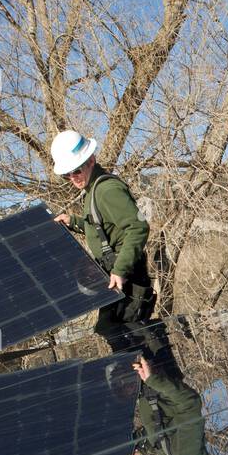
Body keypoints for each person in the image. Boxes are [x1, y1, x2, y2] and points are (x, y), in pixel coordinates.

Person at [49, 130, 156, 350]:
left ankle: (156, 378)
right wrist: (74, 222)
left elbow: (138, 227)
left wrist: (120, 270)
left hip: (127, 280)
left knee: (131, 345)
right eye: (66, 175)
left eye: (76, 170)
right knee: (112, 335)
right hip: (115, 279)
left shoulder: (107, 189)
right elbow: (103, 227)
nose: (73, 178)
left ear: (91, 160)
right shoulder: (92, 189)